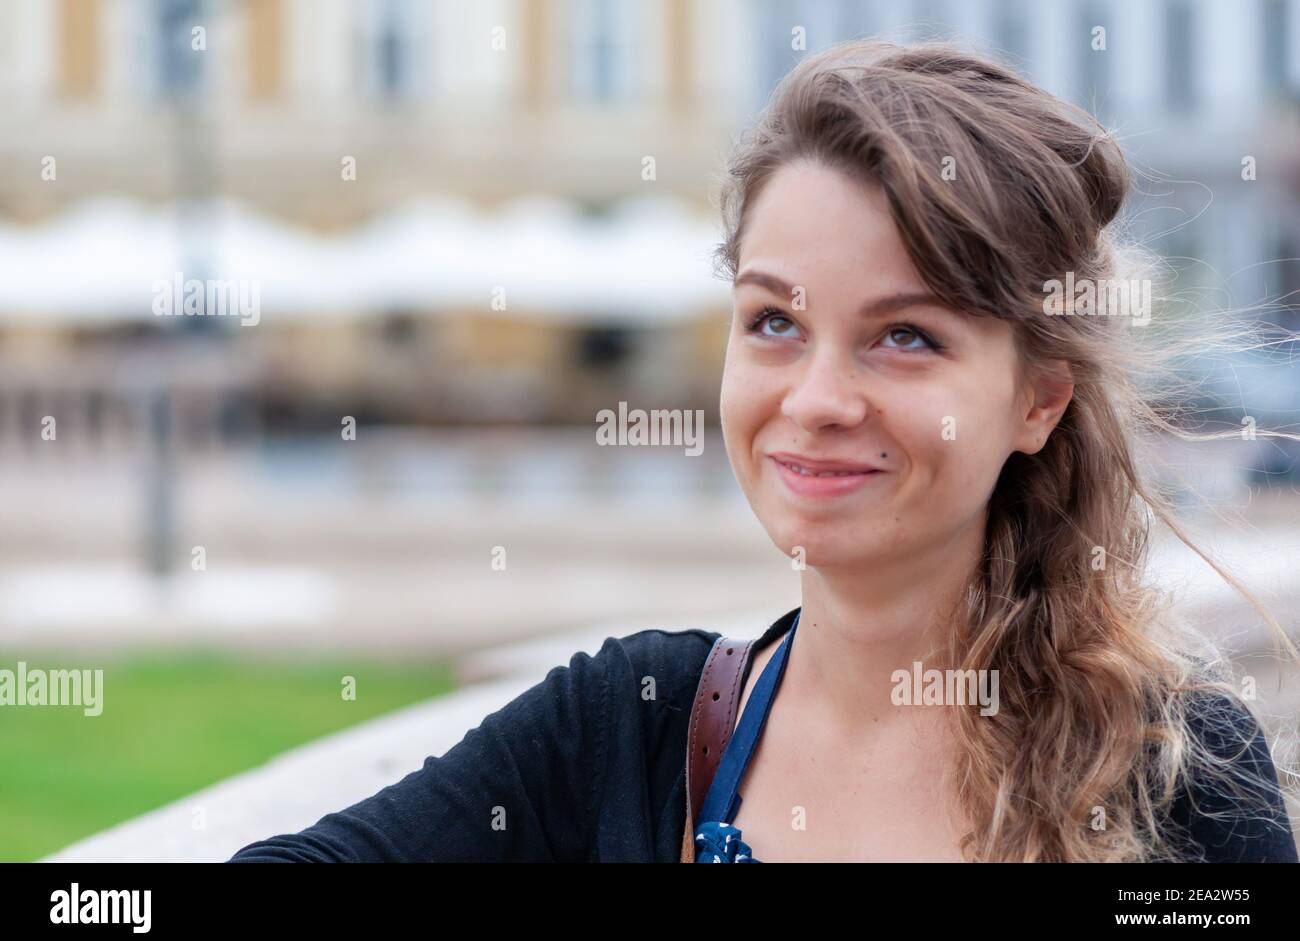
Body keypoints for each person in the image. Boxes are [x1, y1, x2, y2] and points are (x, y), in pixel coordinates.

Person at [229, 38, 1298, 863]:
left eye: (905, 336)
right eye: (774, 321)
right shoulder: (628, 725)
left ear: (1038, 400)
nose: (818, 398)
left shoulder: (1174, 775)